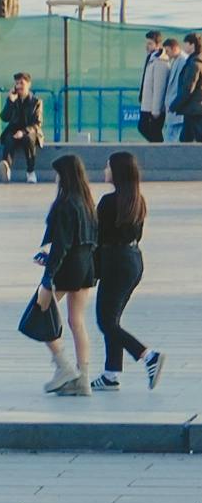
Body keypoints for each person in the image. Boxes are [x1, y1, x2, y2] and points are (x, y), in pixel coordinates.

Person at [94, 147, 165, 392]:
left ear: (117, 172)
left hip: (114, 262)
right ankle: (110, 374)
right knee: (112, 320)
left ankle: (147, 355)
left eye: (108, 167)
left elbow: (97, 238)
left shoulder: (107, 202)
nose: (105, 170)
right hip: (133, 260)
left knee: (106, 322)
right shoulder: (137, 201)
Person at [36, 152, 99, 397]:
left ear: (65, 176)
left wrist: (48, 275)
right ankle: (83, 380)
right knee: (76, 322)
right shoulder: (88, 203)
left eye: (58, 174)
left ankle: (62, 365)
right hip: (86, 269)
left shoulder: (64, 204)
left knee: (39, 313)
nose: (55, 178)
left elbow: (60, 244)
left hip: (66, 269)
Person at [0, 72, 43, 182]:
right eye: (17, 84)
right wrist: (10, 102)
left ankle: (31, 172)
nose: (18, 86)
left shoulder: (36, 102)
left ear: (29, 84)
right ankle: (6, 168)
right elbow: (4, 117)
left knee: (28, 138)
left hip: (30, 132)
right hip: (14, 131)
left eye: (21, 83)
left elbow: (37, 124)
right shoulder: (14, 100)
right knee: (9, 138)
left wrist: (23, 132)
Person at [138, 31, 171, 143]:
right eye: (146, 43)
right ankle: (159, 151)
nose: (147, 46)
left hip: (153, 107)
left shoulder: (161, 61)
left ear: (158, 45)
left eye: (150, 43)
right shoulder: (151, 58)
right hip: (147, 104)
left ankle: (162, 152)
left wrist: (156, 109)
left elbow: (159, 87)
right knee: (146, 129)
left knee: (150, 130)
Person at [170, 35, 202, 144]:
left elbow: (188, 89)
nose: (184, 46)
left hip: (194, 110)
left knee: (192, 141)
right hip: (192, 109)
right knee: (185, 140)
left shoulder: (194, 64)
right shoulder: (194, 62)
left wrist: (175, 104)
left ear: (192, 45)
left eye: (186, 43)